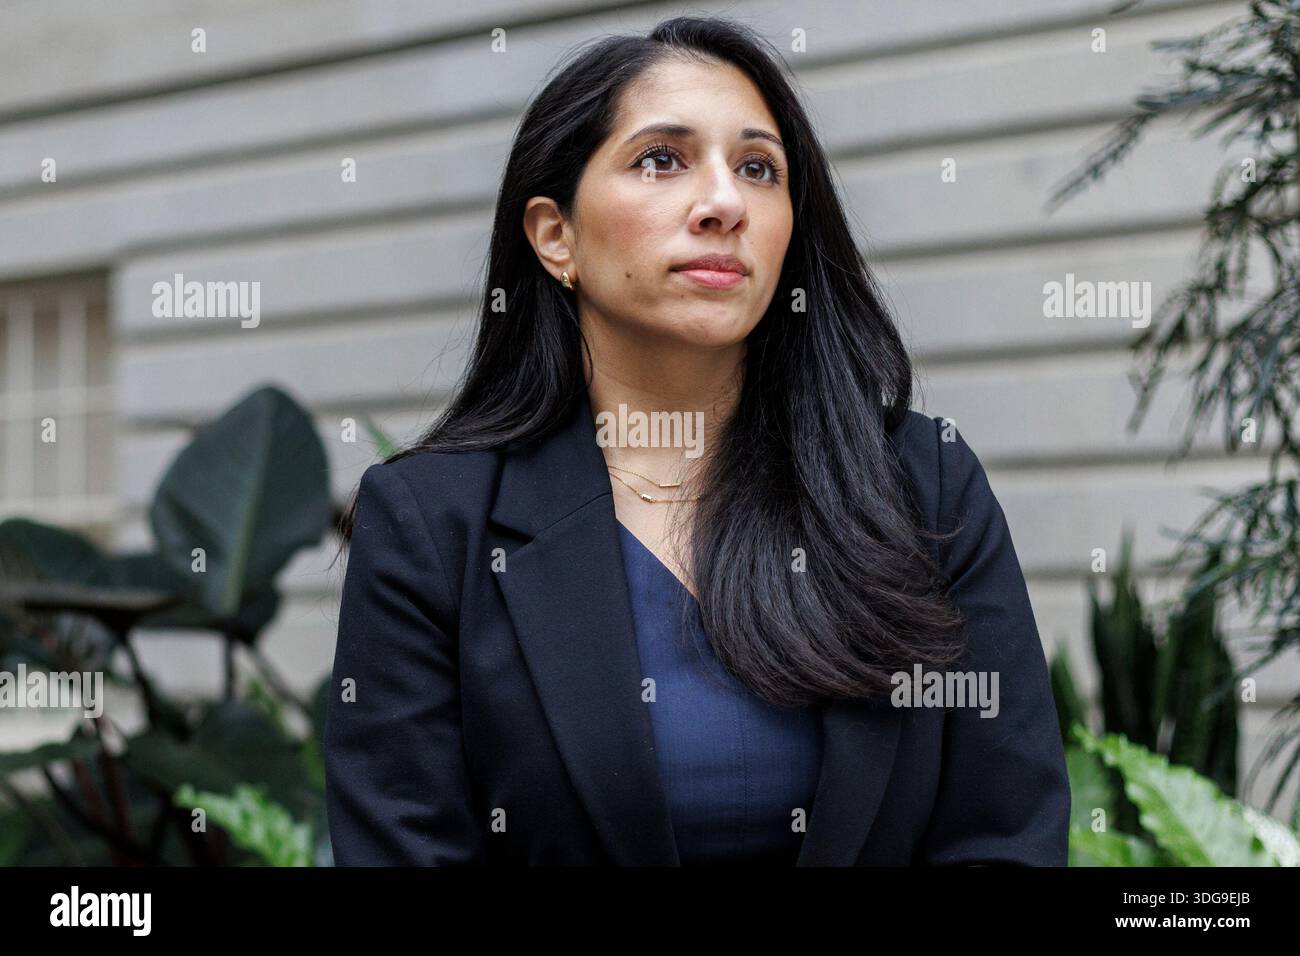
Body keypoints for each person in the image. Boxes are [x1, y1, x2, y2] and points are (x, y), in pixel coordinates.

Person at [323, 15, 1070, 866]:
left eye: (758, 169)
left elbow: (1005, 835)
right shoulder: (434, 524)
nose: (723, 204)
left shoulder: (923, 485)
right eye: (661, 159)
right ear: (554, 235)